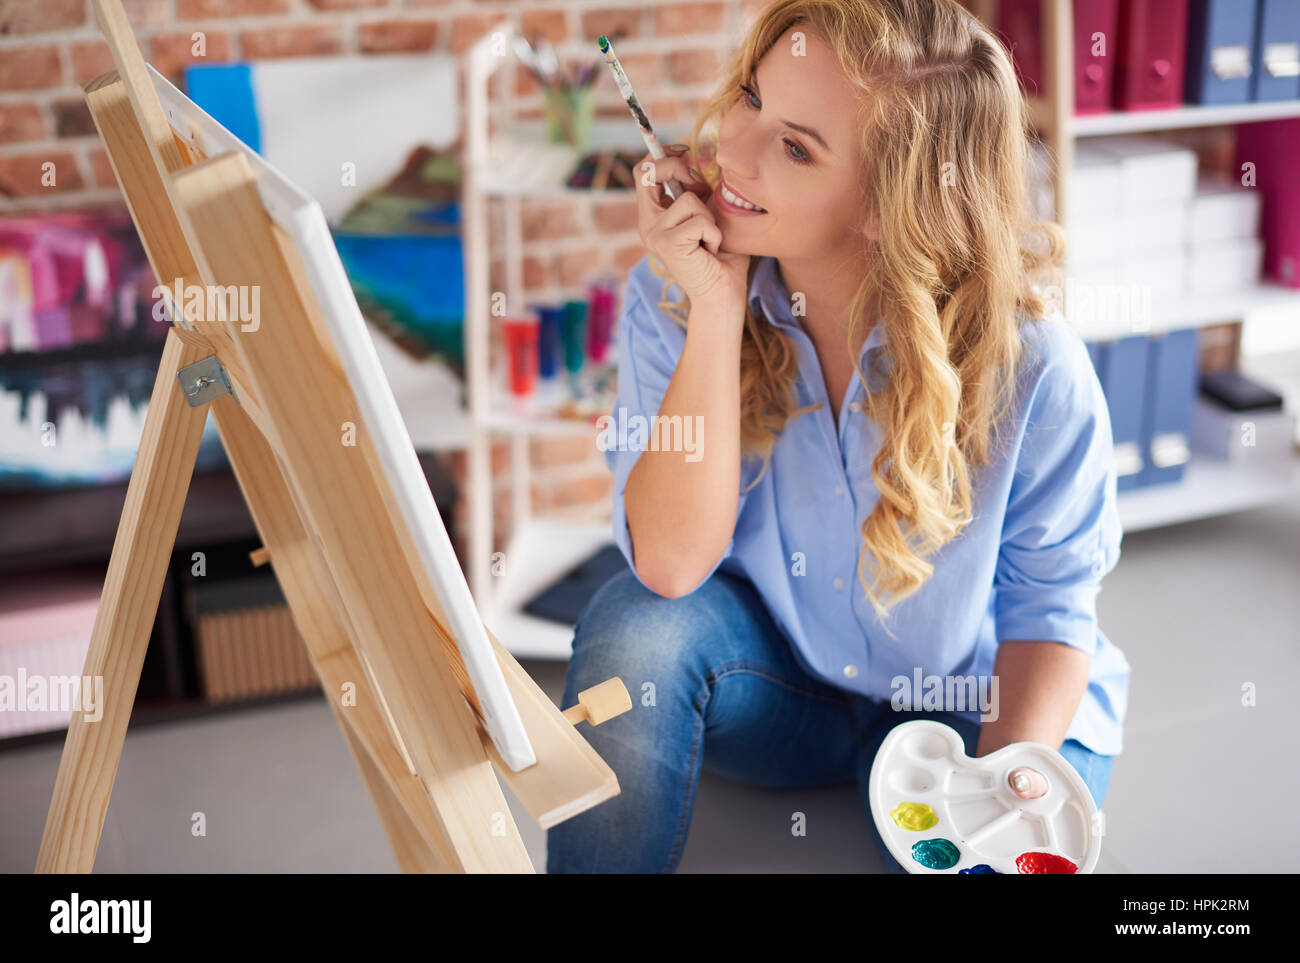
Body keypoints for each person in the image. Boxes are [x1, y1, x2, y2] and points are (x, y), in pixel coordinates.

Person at [548, 0, 1129, 873]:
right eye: (748, 95)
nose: (729, 150)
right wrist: (715, 309)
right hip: (782, 693)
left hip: (968, 703)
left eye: (794, 146)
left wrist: (997, 784)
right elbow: (668, 566)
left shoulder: (1032, 364)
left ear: (885, 207)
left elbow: (1049, 611)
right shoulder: (669, 295)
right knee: (632, 626)